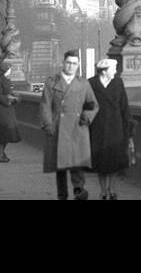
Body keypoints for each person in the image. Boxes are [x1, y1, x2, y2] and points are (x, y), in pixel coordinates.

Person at [39, 51, 96, 199]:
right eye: (69, 63)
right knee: (61, 167)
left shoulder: (84, 83)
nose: (71, 66)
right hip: (58, 128)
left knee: (77, 163)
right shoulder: (52, 82)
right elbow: (45, 105)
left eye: (74, 64)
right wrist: (48, 124)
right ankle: (62, 195)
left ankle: (79, 190)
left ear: (78, 65)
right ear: (63, 63)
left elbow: (92, 105)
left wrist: (87, 117)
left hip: (77, 128)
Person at [87, 58, 134, 200]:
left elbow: (124, 106)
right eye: (113, 69)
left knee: (114, 160)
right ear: (105, 70)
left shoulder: (118, 83)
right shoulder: (91, 83)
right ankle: (103, 190)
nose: (115, 72)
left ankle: (112, 189)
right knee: (100, 161)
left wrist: (129, 127)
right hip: (97, 126)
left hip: (116, 127)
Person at [0, 59, 22, 162]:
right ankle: (1, 154)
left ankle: (1, 151)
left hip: (8, 110)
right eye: (9, 69)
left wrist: (15, 98)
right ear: (5, 69)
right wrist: (9, 99)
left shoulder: (7, 80)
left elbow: (9, 93)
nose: (10, 71)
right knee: (4, 133)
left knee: (6, 133)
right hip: (2, 111)